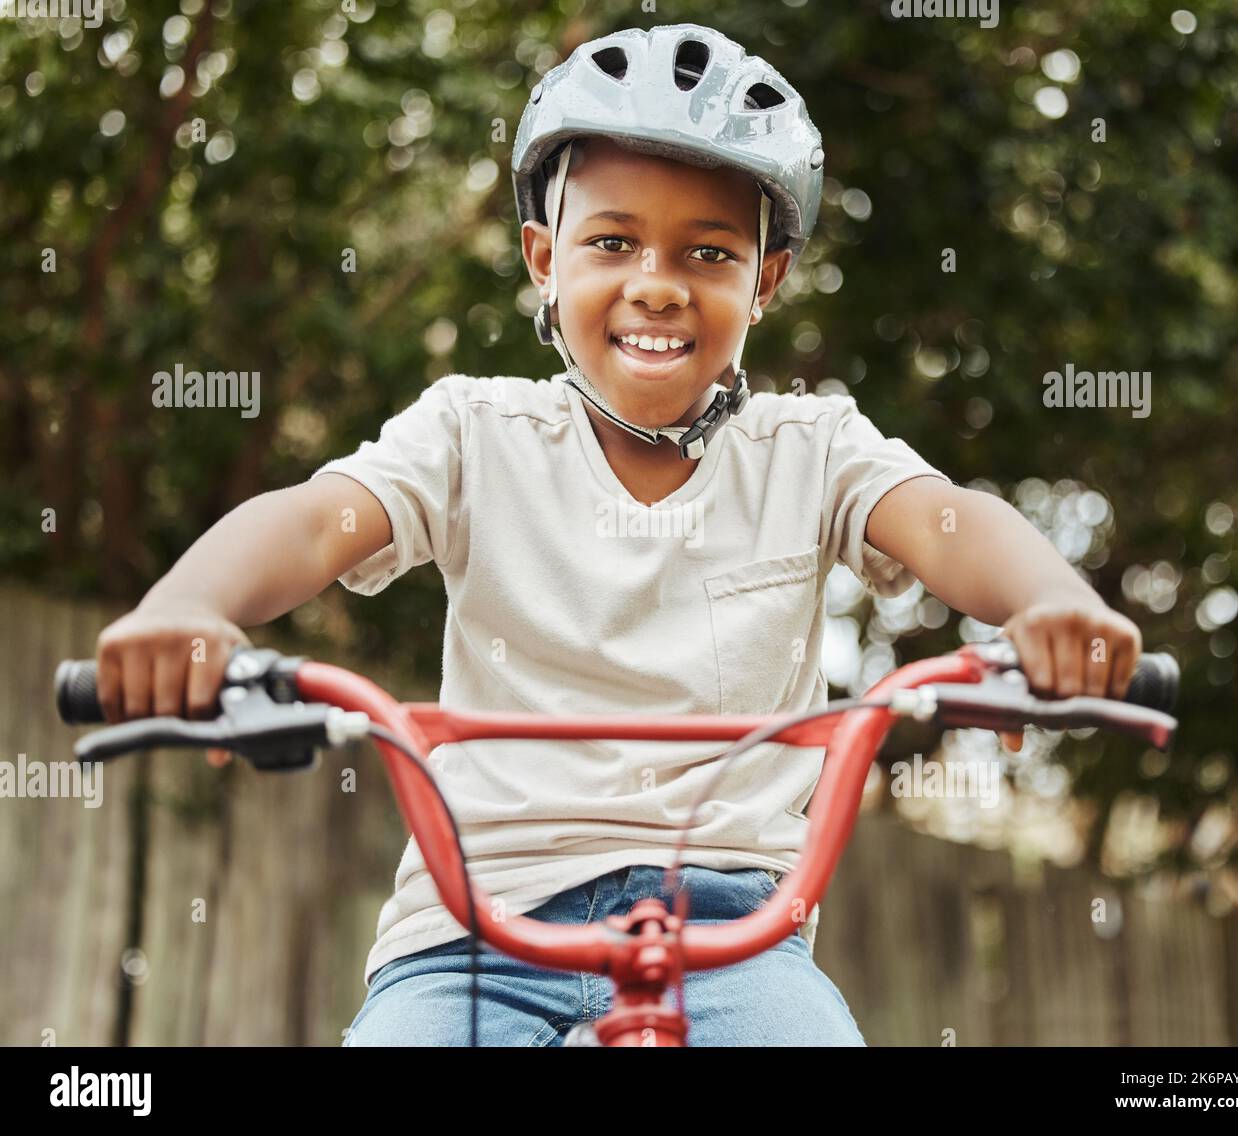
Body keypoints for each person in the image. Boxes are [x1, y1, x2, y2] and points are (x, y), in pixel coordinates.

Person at [91, 23, 1141, 1047]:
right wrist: (189, 608)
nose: (655, 281)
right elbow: (317, 518)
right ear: (543, 259)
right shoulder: (471, 433)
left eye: (709, 251)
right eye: (611, 241)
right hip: (471, 936)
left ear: (763, 282)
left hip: (732, 938)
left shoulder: (812, 448)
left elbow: (950, 523)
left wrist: (1052, 605)